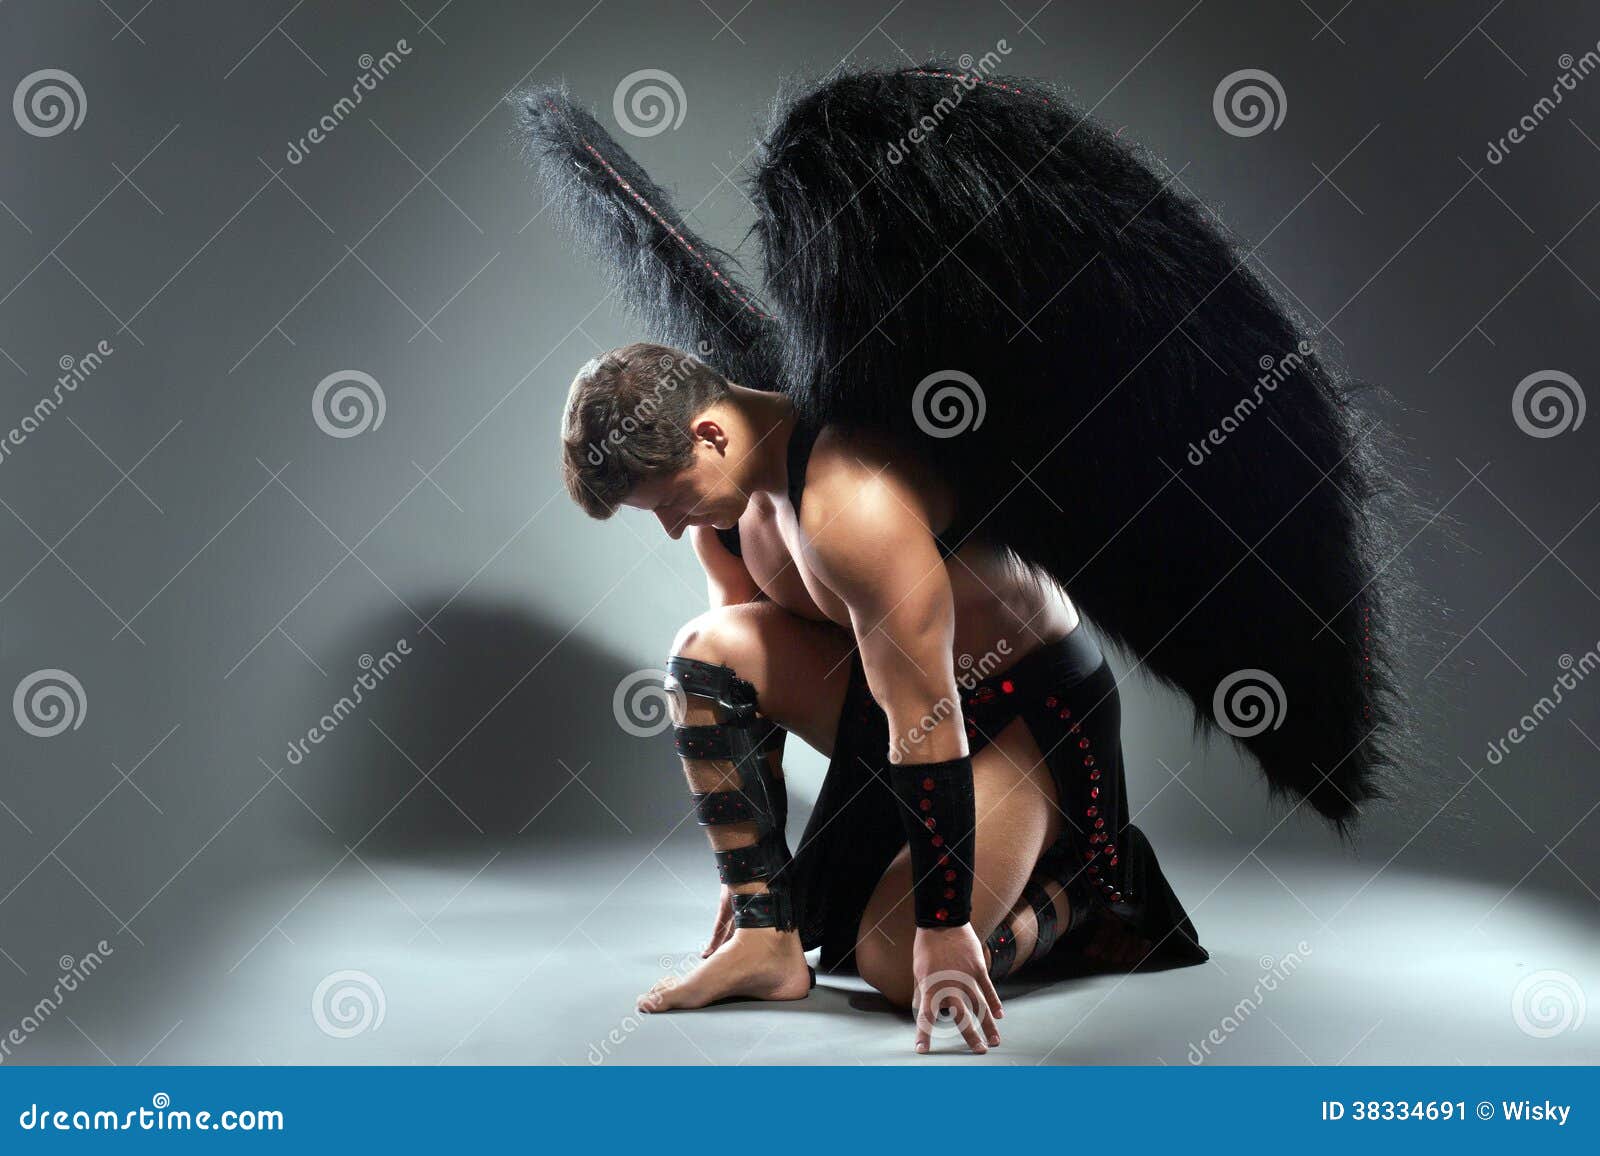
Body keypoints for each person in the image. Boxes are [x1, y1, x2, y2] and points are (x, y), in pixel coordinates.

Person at [561, 341, 1209, 1055]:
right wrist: (758, 885)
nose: (672, 526)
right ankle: (766, 947)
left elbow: (924, 719)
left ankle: (1089, 890)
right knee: (704, 649)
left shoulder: (851, 501)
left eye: (673, 501)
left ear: (710, 434)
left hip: (1025, 714)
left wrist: (943, 924)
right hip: (897, 703)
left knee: (897, 964)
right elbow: (742, 683)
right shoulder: (725, 520)